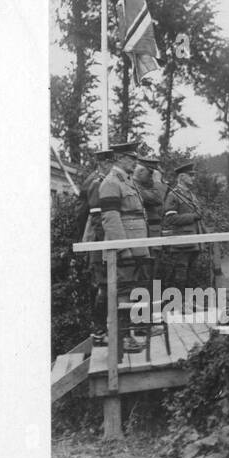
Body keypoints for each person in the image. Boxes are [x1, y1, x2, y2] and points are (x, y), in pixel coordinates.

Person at [97, 141, 151, 353]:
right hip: (126, 248)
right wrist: (123, 248)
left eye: (136, 158)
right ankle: (122, 338)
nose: (136, 162)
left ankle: (131, 332)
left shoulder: (126, 181)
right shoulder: (111, 182)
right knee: (122, 294)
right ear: (119, 159)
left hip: (136, 245)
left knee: (133, 291)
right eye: (131, 158)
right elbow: (111, 218)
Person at [81, 147, 113, 341]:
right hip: (98, 243)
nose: (111, 167)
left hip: (103, 242)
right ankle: (99, 330)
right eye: (109, 163)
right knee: (102, 285)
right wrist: (105, 243)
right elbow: (96, 217)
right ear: (103, 164)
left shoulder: (105, 182)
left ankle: (103, 328)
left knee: (107, 285)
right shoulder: (96, 183)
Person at [161, 162, 207, 297]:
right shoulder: (173, 195)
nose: (193, 178)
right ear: (181, 177)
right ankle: (178, 304)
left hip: (194, 241)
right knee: (180, 275)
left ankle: (189, 302)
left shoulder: (191, 195)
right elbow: (170, 219)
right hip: (182, 242)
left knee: (192, 275)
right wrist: (192, 217)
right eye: (190, 175)